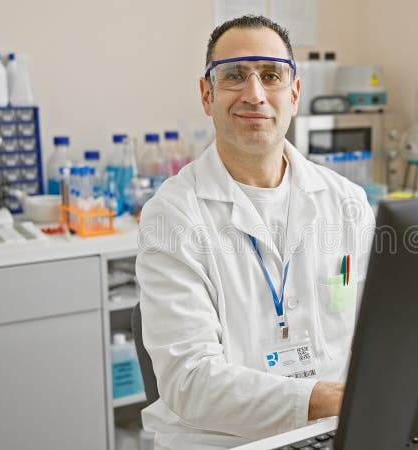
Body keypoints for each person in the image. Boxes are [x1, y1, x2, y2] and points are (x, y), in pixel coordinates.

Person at [136, 15, 375, 449]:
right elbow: (190, 380)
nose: (254, 94)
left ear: (295, 93)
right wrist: (321, 400)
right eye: (233, 76)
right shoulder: (171, 216)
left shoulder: (347, 202)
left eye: (270, 75)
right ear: (207, 95)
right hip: (221, 441)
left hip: (333, 431)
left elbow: (376, 332)